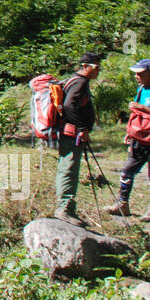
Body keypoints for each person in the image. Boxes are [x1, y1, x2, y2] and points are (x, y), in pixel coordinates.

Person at [105, 58, 150, 222]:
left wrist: (141, 107)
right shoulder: (141, 89)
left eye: (140, 73)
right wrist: (130, 132)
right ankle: (122, 204)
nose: (136, 76)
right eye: (136, 73)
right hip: (139, 137)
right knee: (127, 170)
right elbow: (136, 114)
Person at [54, 52, 102, 226]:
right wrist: (82, 128)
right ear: (84, 66)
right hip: (73, 133)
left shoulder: (76, 80)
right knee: (69, 168)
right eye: (96, 67)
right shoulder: (80, 82)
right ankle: (64, 209)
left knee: (67, 168)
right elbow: (69, 105)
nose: (98, 71)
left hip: (72, 132)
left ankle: (66, 208)